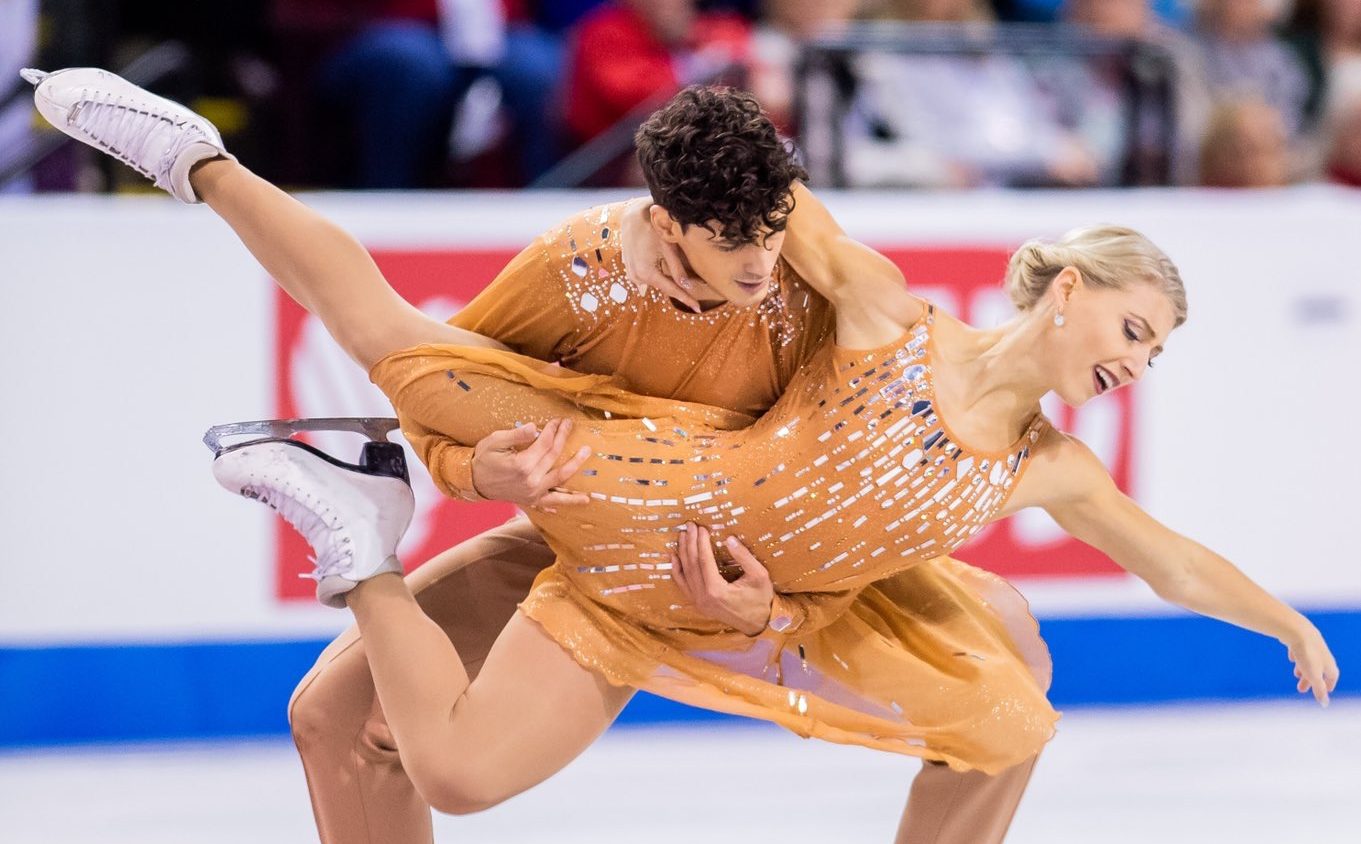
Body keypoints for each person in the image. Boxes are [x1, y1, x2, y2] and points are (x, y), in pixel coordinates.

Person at [25, 66, 1340, 837]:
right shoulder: (864, 306)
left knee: (1006, 701)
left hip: (715, 585)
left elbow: (1164, 560)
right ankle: (197, 162)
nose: (1137, 363)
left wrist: (1276, 616)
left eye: (1155, 353)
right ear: (1065, 294)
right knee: (366, 677)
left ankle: (358, 528)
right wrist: (484, 473)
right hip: (626, 486)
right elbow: (750, 186)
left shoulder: (1045, 461)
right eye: (1134, 328)